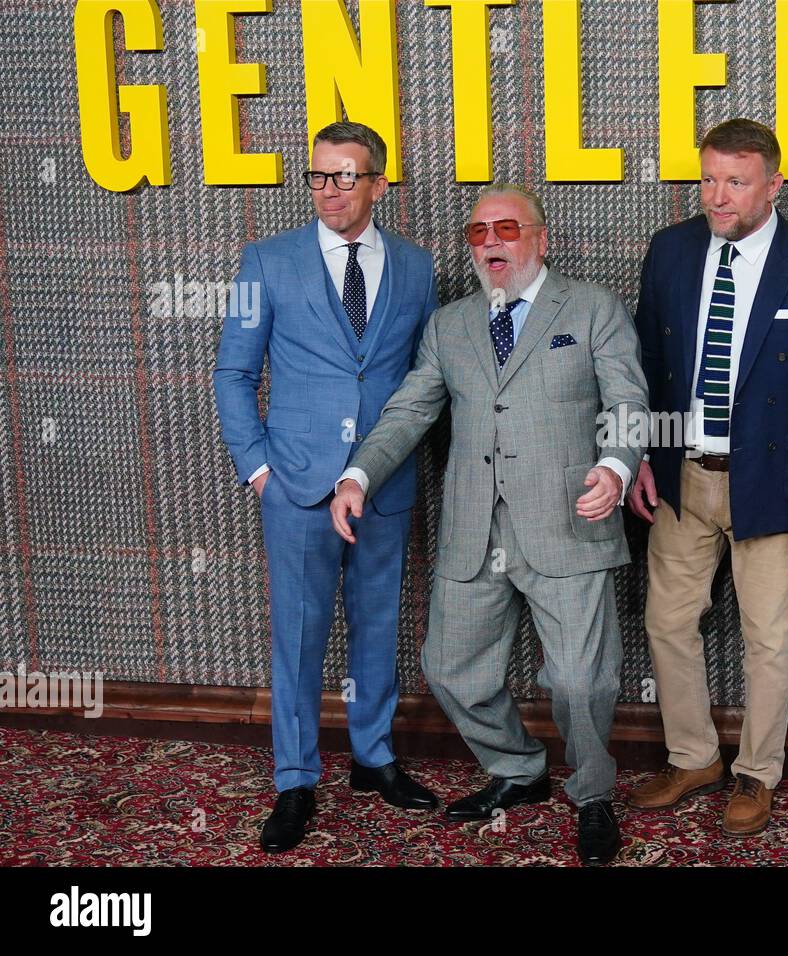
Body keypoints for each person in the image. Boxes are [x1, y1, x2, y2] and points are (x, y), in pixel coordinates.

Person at [329, 184, 648, 865]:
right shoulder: (450, 326)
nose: (492, 242)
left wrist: (617, 468)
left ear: (541, 237)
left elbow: (628, 401)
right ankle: (519, 769)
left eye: (507, 228)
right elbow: (410, 412)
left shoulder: (593, 309)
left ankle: (592, 794)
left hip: (569, 522)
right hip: (475, 528)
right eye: (478, 233)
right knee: (449, 670)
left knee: (579, 682)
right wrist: (358, 476)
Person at [627, 119, 788, 836]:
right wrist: (638, 451)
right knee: (666, 622)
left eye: (735, 181)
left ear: (773, 184)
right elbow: (643, 365)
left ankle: (757, 773)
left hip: (776, 486)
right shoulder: (669, 251)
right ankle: (692, 755)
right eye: (708, 179)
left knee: (769, 637)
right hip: (682, 474)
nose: (717, 196)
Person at [214, 121, 441, 854]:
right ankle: (295, 779)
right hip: (297, 486)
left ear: (378, 184)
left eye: (347, 176)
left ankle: (374, 759)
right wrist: (259, 470)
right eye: (318, 176)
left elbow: (426, 381)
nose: (330, 190)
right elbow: (233, 373)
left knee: (378, 626)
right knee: (300, 636)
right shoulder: (265, 262)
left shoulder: (416, 266)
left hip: (386, 482)